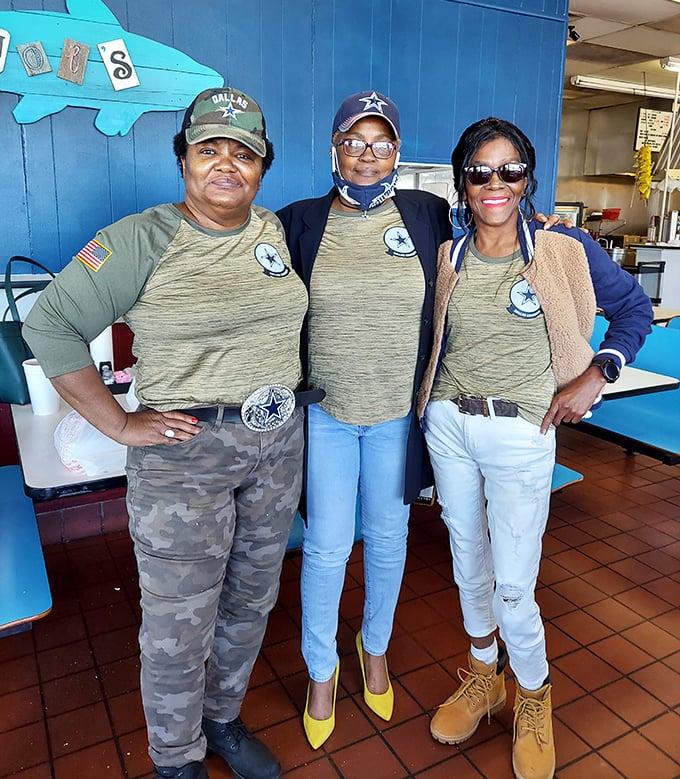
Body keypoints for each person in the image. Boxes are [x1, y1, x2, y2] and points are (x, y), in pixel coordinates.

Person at [23, 87, 319, 779]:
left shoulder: (272, 231)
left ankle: (220, 719)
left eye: (243, 152)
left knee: (252, 598)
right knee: (181, 621)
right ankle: (176, 757)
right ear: (183, 158)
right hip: (185, 457)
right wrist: (121, 422)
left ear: (263, 164)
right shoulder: (142, 238)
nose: (226, 164)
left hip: (275, 448)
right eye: (208, 148)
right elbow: (49, 327)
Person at [416, 117, 653, 779]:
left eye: (509, 170)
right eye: (480, 172)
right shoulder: (448, 254)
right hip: (450, 426)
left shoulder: (564, 247)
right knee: (468, 565)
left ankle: (533, 695)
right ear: (462, 183)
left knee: (514, 587)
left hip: (523, 432)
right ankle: (483, 678)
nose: (495, 184)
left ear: (528, 178)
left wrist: (597, 372)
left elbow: (634, 310)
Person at [276, 90, 452, 748]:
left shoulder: (430, 215)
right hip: (325, 412)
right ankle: (322, 670)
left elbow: (487, 252)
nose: (367, 155)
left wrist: (540, 228)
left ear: (398, 153)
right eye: (355, 141)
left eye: (381, 144)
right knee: (324, 546)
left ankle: (373, 648)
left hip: (395, 417)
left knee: (388, 537)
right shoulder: (298, 221)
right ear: (334, 147)